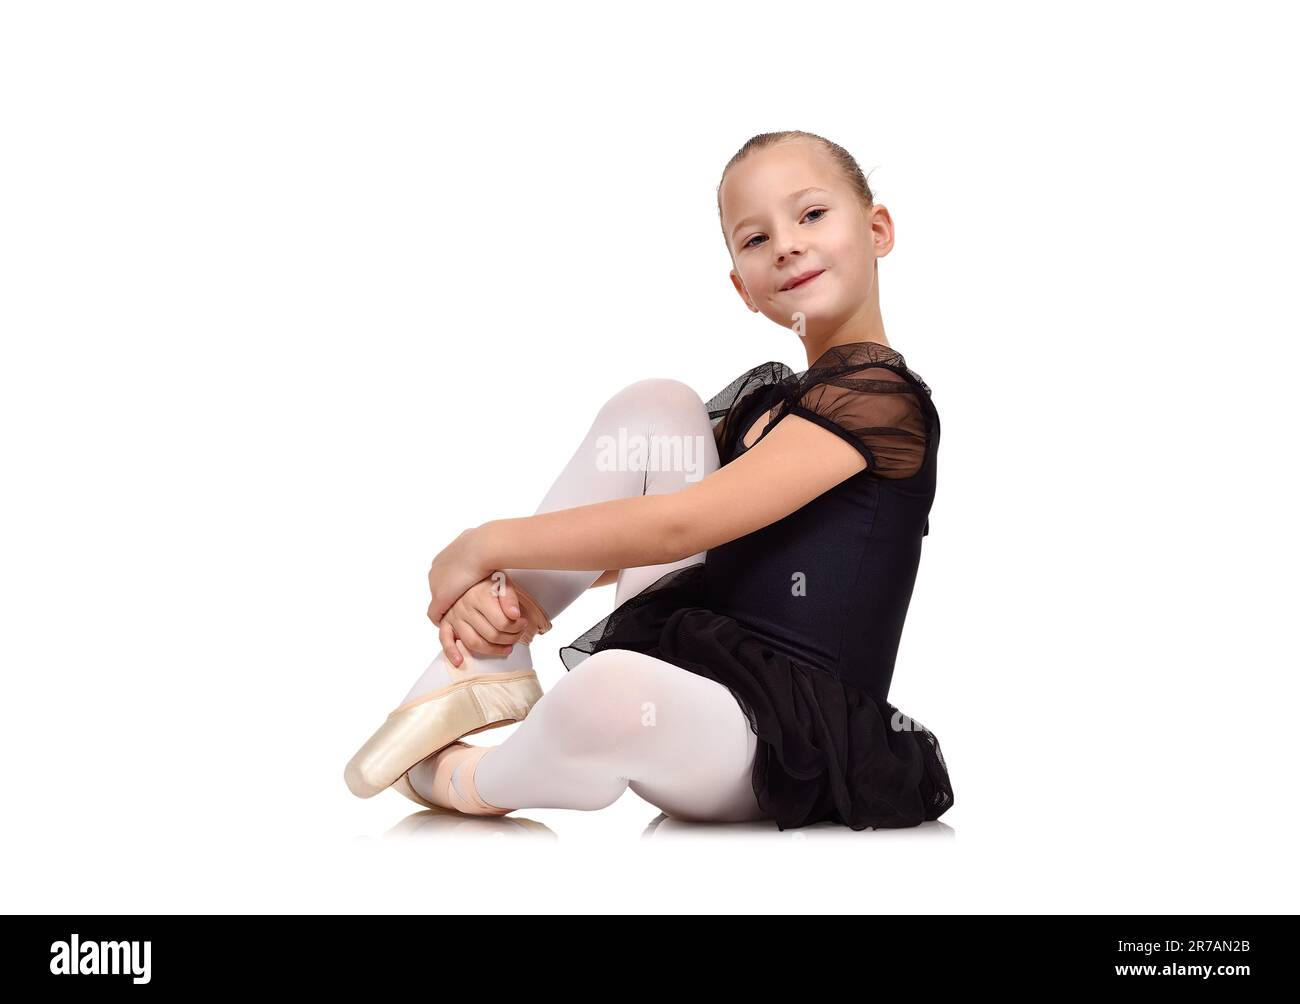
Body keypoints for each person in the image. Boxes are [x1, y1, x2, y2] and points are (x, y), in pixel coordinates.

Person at [344, 129, 954, 830]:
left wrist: (483, 547)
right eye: (754, 239)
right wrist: (503, 598)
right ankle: (492, 659)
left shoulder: (881, 399)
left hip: (781, 738)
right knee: (657, 405)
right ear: (743, 289)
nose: (786, 244)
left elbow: (681, 525)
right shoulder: (768, 406)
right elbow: (640, 537)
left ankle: (470, 778)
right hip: (693, 679)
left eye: (812, 215)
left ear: (877, 230)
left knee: (607, 689)